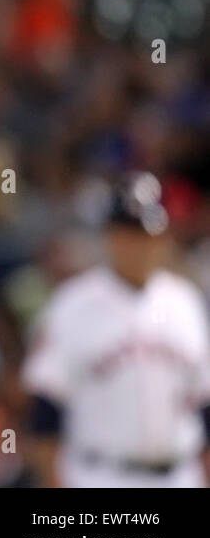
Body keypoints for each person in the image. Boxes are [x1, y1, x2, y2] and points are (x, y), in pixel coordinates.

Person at [22, 171, 210, 487]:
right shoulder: (72, 304)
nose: (140, 244)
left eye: (149, 233)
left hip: (180, 476)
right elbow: (45, 412)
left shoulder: (186, 302)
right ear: (110, 236)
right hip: (99, 476)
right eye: (129, 233)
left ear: (163, 236)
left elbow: (205, 405)